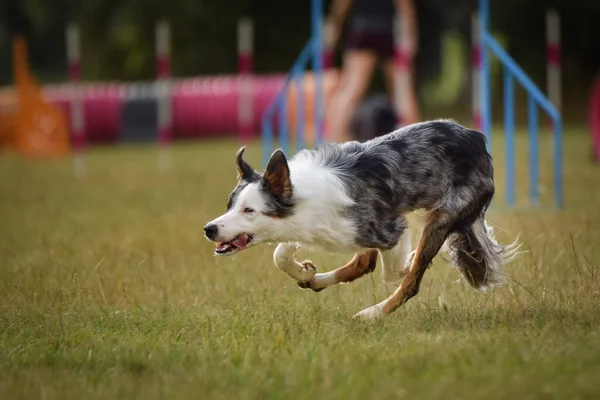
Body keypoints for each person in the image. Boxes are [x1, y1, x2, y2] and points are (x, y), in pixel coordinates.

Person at [324, 0, 420, 143]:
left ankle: (328, 144)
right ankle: (418, 143)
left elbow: (342, 3)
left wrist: (335, 25)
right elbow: (405, 5)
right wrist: (410, 35)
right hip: (389, 30)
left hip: (363, 28)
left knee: (350, 91)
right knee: (402, 92)